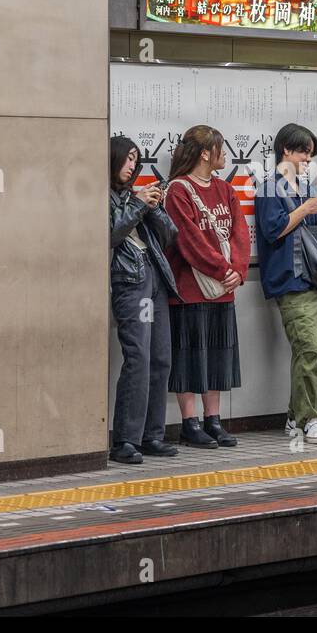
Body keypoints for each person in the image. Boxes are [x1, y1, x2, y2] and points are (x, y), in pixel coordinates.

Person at [163, 124, 250, 449]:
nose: (224, 155)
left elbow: (240, 231)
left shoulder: (224, 189)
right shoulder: (178, 190)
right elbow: (188, 240)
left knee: (216, 355)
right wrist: (222, 268)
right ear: (204, 153)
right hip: (189, 289)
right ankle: (189, 423)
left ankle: (213, 420)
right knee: (188, 357)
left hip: (223, 288)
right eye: (220, 148)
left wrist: (238, 270)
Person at [255, 123, 317, 444]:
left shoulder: (302, 189)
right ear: (286, 150)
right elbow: (274, 230)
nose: (307, 159)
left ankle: (294, 415)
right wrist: (305, 209)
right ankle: (311, 418)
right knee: (308, 350)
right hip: (291, 281)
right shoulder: (267, 187)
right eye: (303, 152)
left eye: (310, 154)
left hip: (316, 279)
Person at [109, 136, 180, 465]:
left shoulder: (134, 197)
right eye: (127, 159)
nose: (131, 165)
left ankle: (153, 434)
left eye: (136, 160)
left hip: (154, 278)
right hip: (129, 281)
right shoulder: (106, 196)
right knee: (138, 357)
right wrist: (137, 204)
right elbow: (110, 234)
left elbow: (170, 236)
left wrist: (154, 205)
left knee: (161, 358)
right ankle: (125, 439)